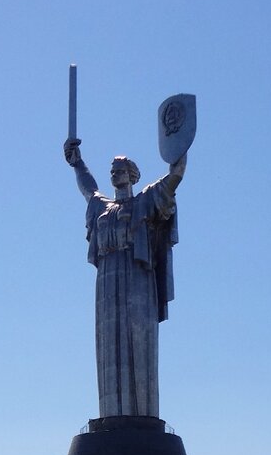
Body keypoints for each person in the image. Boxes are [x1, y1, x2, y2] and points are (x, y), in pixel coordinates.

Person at [63, 136, 186, 418]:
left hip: (137, 275)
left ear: (131, 175)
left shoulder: (144, 202)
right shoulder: (101, 207)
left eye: (119, 169)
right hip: (107, 280)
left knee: (137, 340)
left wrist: (178, 144)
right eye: (112, 170)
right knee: (109, 346)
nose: (114, 173)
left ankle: (141, 414)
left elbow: (175, 176)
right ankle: (112, 414)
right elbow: (87, 187)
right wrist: (77, 162)